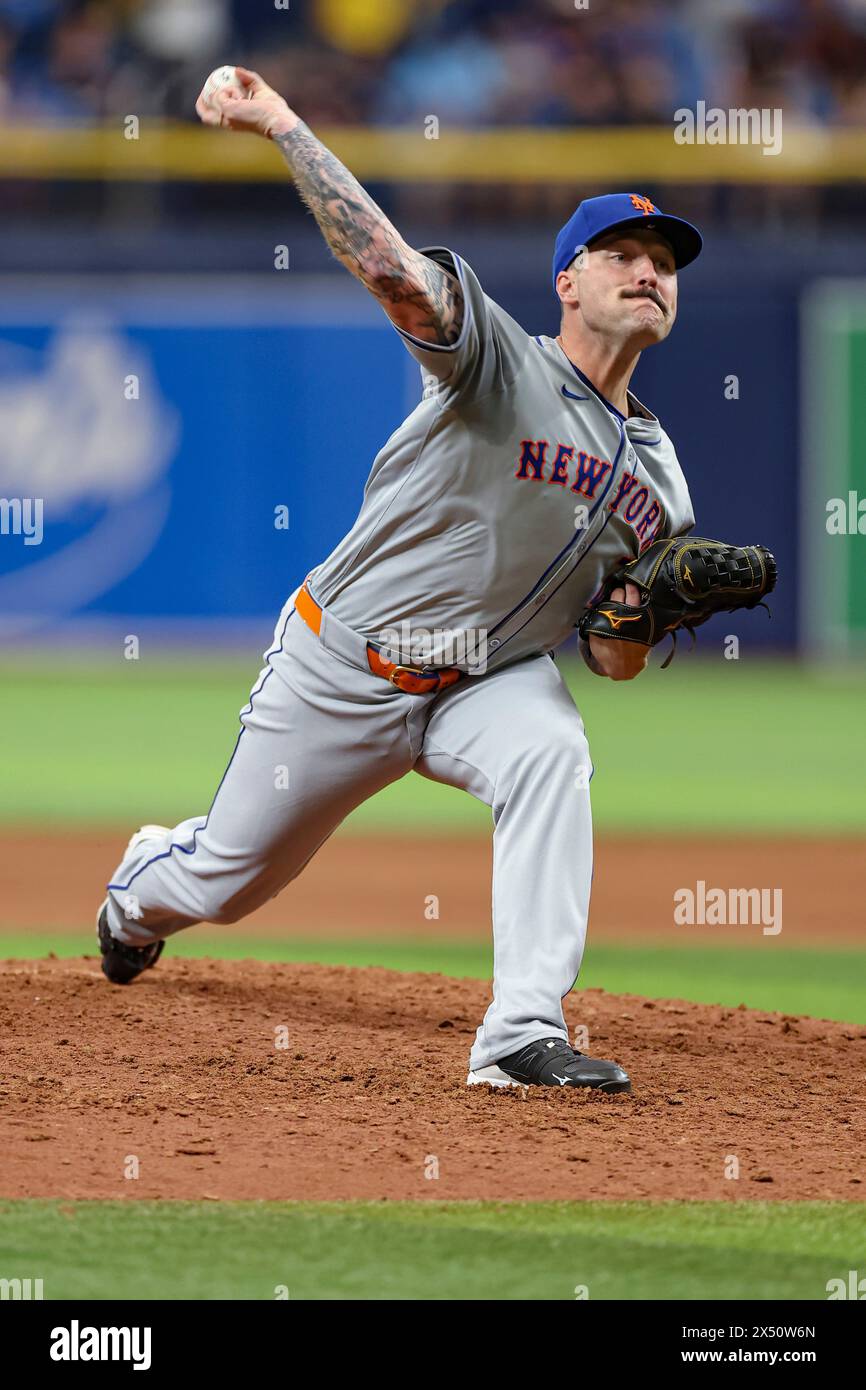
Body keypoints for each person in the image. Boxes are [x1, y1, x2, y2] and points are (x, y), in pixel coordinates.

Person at [97, 67, 703, 1094]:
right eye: (622, 256)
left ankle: (519, 1032)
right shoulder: (499, 362)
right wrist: (284, 123)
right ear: (567, 283)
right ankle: (134, 894)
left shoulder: (663, 480)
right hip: (344, 664)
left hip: (488, 678)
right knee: (227, 881)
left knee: (552, 751)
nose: (648, 273)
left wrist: (641, 615)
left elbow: (610, 659)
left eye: (664, 264)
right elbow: (386, 264)